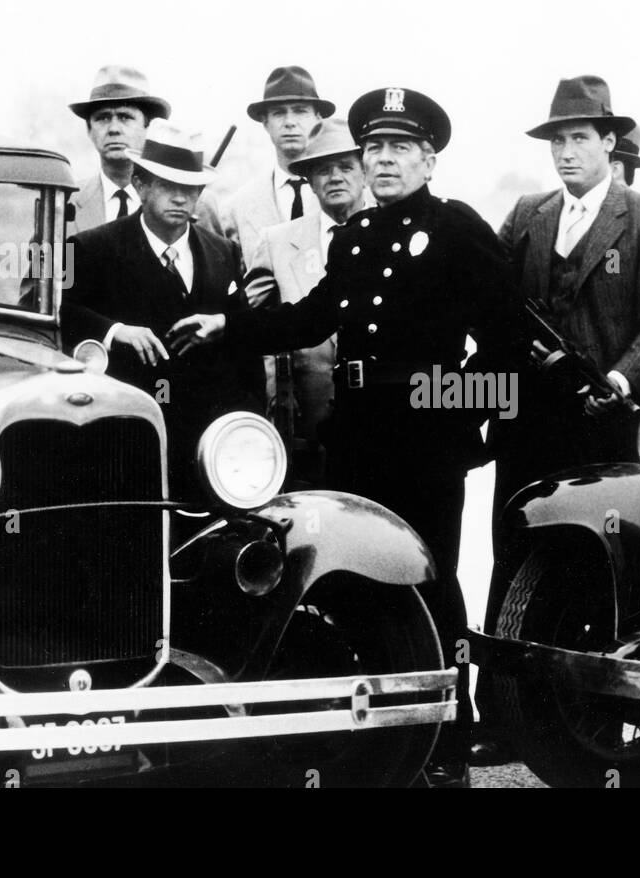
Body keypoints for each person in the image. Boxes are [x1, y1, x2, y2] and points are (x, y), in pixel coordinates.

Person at [169, 87, 524, 788]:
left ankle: (450, 743)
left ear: (428, 159)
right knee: (354, 583)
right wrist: (227, 325)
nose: (383, 161)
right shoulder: (356, 236)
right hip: (356, 432)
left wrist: (452, 413)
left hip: (424, 440)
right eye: (374, 150)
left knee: (431, 586)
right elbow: (308, 318)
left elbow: (506, 343)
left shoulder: (456, 229)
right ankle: (376, 742)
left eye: (399, 149)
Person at [473, 76, 640, 766]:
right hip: (532, 425)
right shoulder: (527, 215)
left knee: (605, 564)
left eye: (579, 138)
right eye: (557, 140)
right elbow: (496, 312)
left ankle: (592, 717)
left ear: (609, 143)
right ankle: (499, 716)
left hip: (608, 425)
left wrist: (622, 377)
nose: (566, 153)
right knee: (514, 558)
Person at [61, 120, 265, 499]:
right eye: (168, 186)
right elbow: (60, 312)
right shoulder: (90, 248)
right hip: (125, 439)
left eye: (190, 189)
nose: (180, 198)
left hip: (210, 446)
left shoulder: (223, 252)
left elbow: (245, 348)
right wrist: (114, 330)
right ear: (140, 185)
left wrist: (249, 426)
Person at [241, 118, 371, 487]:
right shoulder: (278, 241)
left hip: (379, 427)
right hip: (303, 429)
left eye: (346, 167)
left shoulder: (389, 234)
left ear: (364, 173)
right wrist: (275, 393)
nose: (335, 177)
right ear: (309, 181)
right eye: (322, 170)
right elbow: (255, 321)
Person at [216, 66, 336, 258]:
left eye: (300, 111)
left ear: (318, 118)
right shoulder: (236, 208)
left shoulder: (345, 195)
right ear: (265, 123)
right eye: (279, 113)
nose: (289, 122)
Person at [66, 65, 171, 237]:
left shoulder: (188, 203)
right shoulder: (64, 203)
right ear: (89, 130)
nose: (114, 128)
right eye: (103, 118)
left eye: (125, 117)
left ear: (148, 127)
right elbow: (48, 264)